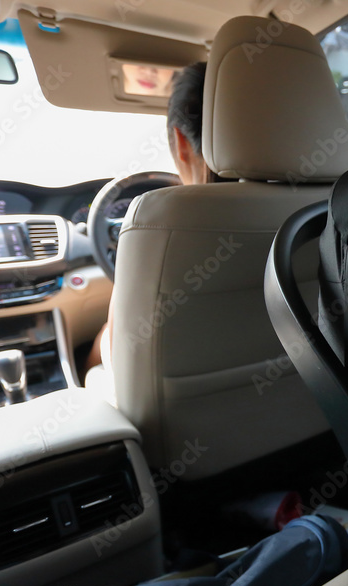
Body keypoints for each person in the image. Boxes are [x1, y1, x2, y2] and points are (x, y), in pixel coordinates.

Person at [85, 62, 217, 375]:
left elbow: (121, 354)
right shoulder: (316, 215)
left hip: (164, 406)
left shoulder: (151, 231)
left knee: (101, 350)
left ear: (181, 143)